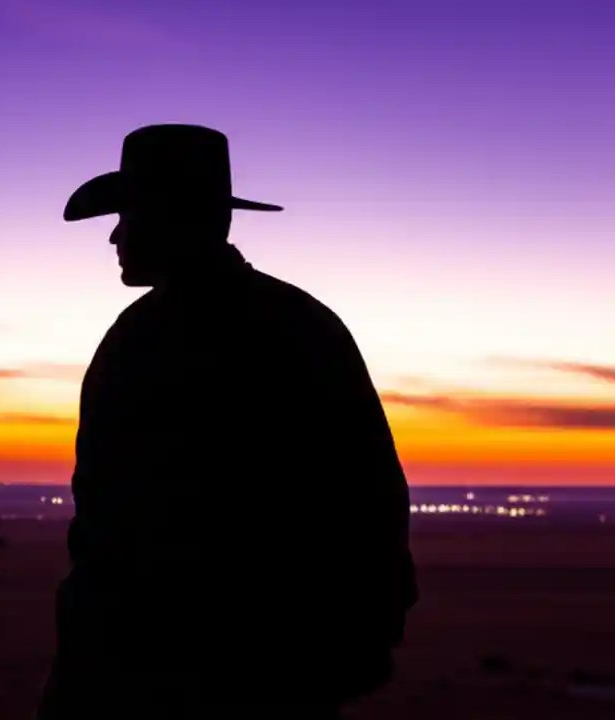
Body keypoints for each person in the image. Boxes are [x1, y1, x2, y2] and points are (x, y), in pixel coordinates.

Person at [36, 124, 418, 718]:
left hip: (182, 665)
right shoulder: (300, 325)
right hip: (271, 663)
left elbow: (109, 521)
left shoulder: (141, 339)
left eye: (127, 215)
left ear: (170, 217)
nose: (113, 236)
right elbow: (371, 494)